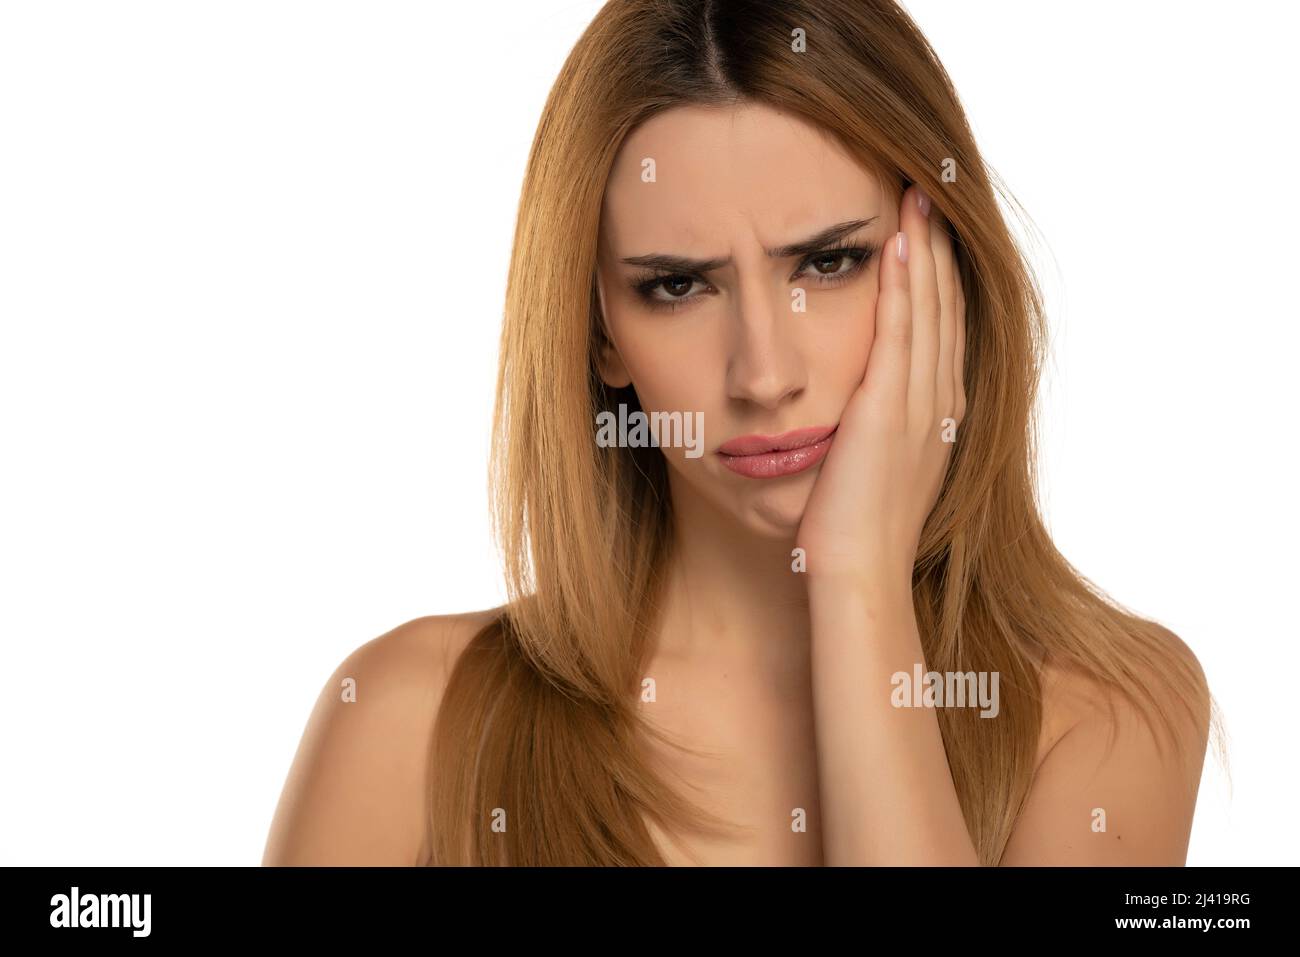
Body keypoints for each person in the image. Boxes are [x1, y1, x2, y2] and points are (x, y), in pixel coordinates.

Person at [263, 0, 1218, 867]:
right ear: (600, 332)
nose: (764, 375)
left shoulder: (1109, 714)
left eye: (831, 261)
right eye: (678, 285)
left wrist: (857, 582)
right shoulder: (407, 727)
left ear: (945, 274)